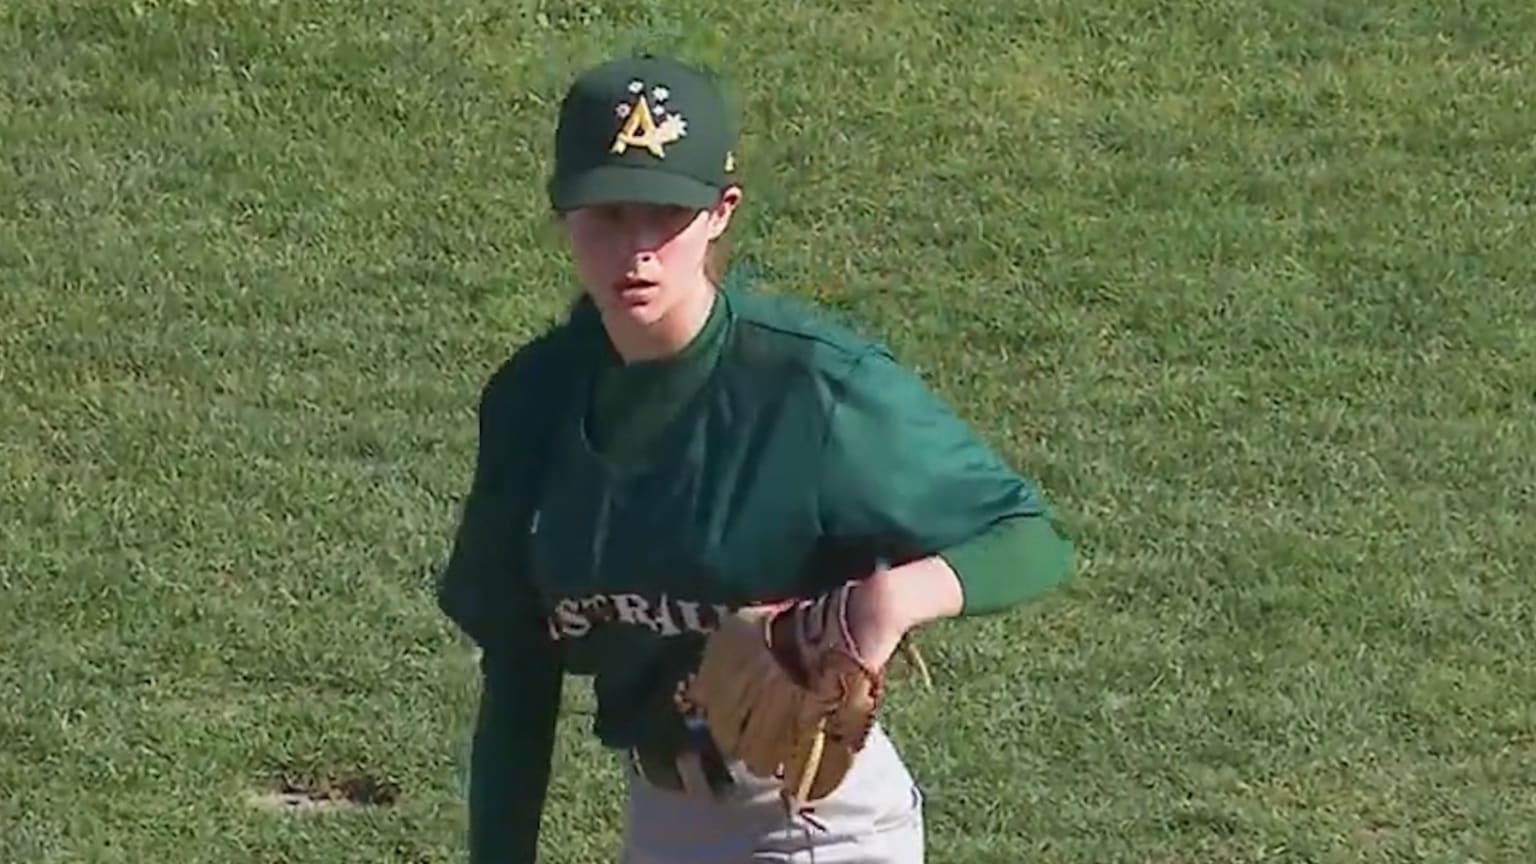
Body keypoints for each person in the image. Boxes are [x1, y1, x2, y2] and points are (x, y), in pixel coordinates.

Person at [435, 53, 1076, 864]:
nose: (637, 249)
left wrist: (892, 601)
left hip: (816, 827)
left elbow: (1027, 535)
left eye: (664, 214)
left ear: (719, 212)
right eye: (607, 213)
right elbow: (519, 669)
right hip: (665, 821)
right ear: (563, 212)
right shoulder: (532, 402)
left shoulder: (810, 388)